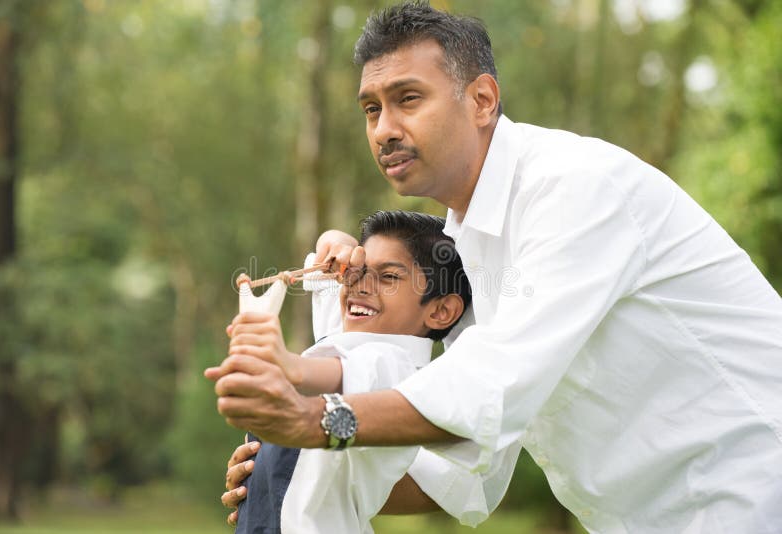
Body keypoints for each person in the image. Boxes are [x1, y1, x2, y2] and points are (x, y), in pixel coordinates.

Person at [209, 2, 782, 532]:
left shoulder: (573, 187)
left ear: (482, 100)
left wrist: (313, 420)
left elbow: (489, 387)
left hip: (754, 497)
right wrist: (297, 470)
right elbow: (466, 475)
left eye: (409, 99)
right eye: (371, 109)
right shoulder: (466, 246)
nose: (384, 130)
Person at [211, 210, 491, 533]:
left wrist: (287, 365)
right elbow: (326, 249)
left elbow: (342, 374)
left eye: (389, 277)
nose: (361, 286)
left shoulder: (399, 369)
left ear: (441, 311)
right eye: (359, 272)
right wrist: (341, 246)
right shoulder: (348, 335)